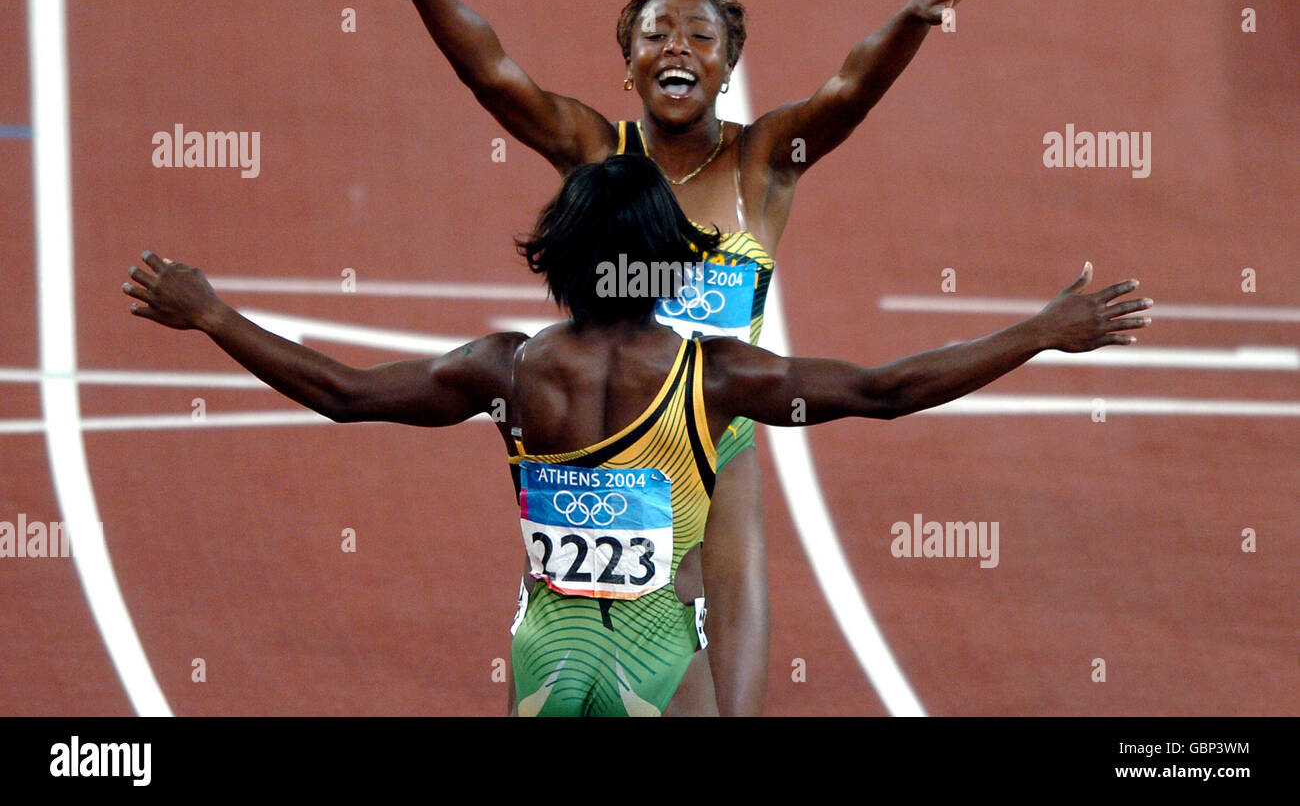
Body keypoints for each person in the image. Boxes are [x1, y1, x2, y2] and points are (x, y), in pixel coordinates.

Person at [124, 153, 1151, 716]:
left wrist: (216, 315)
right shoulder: (713, 380)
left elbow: (343, 393)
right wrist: (1038, 332)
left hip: (541, 654)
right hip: (658, 658)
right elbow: (883, 390)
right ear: (669, 261)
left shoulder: (508, 367)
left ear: (561, 256)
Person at [318, 0, 995, 715]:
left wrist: (915, 18)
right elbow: (497, 77)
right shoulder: (597, 150)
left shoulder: (765, 160)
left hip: (715, 432)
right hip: (606, 451)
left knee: (733, 705)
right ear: (630, 64)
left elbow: (850, 90)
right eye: (656, 35)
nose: (677, 48)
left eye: (699, 35)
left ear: (729, 63)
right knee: (587, 658)